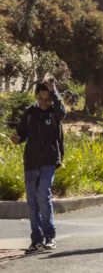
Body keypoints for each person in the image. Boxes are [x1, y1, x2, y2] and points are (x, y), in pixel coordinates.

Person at [11, 76, 66, 252]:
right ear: (36, 97)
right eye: (41, 99)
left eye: (47, 99)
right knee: (32, 201)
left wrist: (54, 92)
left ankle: (50, 236)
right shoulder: (30, 113)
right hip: (31, 161)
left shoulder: (54, 113)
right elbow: (22, 133)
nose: (44, 102)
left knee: (43, 193)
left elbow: (62, 112)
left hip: (49, 160)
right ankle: (36, 239)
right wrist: (17, 138)